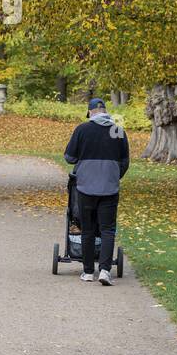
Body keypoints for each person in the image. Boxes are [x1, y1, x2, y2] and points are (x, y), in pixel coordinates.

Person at [63, 97, 130, 285]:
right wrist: (114, 176)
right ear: (105, 111)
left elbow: (69, 157)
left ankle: (87, 272)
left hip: (85, 187)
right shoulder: (117, 130)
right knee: (107, 230)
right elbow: (125, 161)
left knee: (88, 230)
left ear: (91, 112)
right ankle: (105, 271)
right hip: (109, 187)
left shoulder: (82, 130)